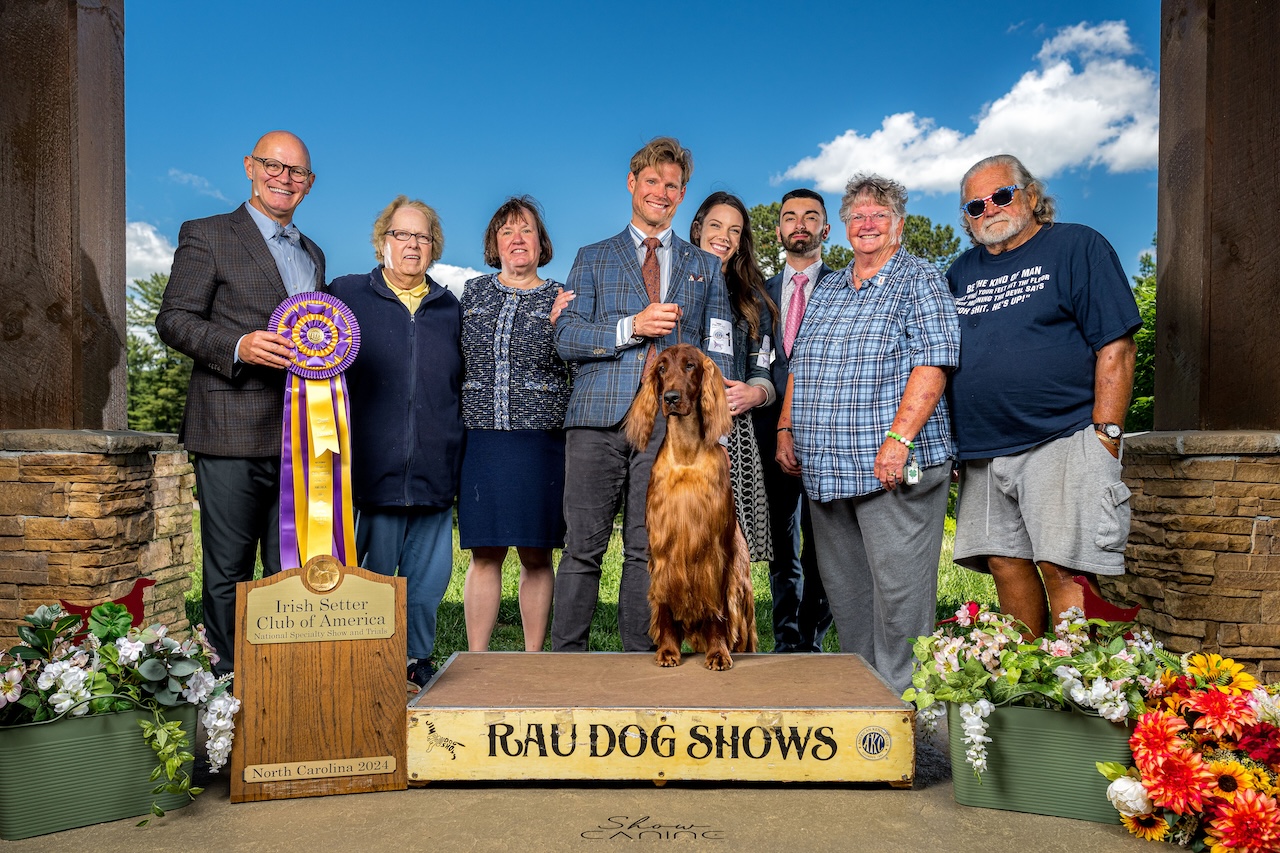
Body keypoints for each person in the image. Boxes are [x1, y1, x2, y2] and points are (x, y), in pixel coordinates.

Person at [777, 174, 959, 695]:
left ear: (898, 225)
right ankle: (866, 704)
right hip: (827, 469)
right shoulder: (831, 286)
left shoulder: (919, 280)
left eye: (879, 214)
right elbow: (802, 363)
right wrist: (787, 426)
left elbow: (934, 362)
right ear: (844, 228)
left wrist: (899, 440)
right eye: (857, 215)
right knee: (849, 596)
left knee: (899, 598)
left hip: (891, 467)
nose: (868, 223)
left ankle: (908, 711)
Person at [551, 136, 735, 652]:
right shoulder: (592, 258)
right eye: (651, 181)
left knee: (645, 548)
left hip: (669, 430)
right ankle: (567, 661)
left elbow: (718, 353)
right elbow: (566, 339)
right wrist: (631, 325)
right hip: (596, 419)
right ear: (632, 184)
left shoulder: (706, 267)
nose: (661, 191)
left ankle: (640, 657)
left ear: (681, 195)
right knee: (582, 548)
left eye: (671, 185)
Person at [947, 154, 1140, 637]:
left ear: (1031, 196)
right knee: (1004, 560)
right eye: (975, 205)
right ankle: (1029, 676)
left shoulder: (1077, 246)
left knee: (1063, 564)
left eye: (1001, 195)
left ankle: (1078, 678)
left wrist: (1106, 433)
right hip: (984, 450)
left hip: (1064, 436)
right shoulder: (958, 272)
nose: (989, 209)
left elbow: (1115, 346)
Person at [156, 130, 324, 676]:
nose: (284, 178)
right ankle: (230, 687)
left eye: (296, 171)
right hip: (229, 431)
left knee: (288, 570)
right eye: (274, 166)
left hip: (298, 435)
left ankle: (282, 682)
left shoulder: (312, 253)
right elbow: (174, 319)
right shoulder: (207, 235)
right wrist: (238, 346)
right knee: (228, 571)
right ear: (250, 167)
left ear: (309, 184)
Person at [328, 196, 462, 688]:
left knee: (427, 584)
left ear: (434, 248)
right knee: (374, 576)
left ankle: (415, 659)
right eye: (402, 235)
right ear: (382, 242)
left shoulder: (450, 308)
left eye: (422, 238)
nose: (412, 245)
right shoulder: (345, 296)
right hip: (369, 470)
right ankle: (367, 662)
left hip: (433, 469)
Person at [459, 196, 574, 652]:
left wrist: (562, 329)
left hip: (540, 441)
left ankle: (531, 659)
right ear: (495, 244)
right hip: (482, 439)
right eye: (507, 232)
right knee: (484, 553)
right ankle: (477, 658)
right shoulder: (472, 293)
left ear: (540, 241)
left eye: (525, 230)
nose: (517, 239)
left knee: (536, 553)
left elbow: (574, 362)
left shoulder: (563, 297)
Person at [753, 189, 834, 653]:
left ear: (826, 229)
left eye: (810, 216)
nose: (799, 224)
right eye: (789, 217)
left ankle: (812, 640)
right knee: (783, 546)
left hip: (826, 431)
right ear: (779, 229)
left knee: (823, 544)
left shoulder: (845, 288)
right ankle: (785, 640)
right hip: (767, 430)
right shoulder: (756, 291)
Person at [688, 191, 776, 563]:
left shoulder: (753, 298)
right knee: (686, 535)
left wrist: (756, 394)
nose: (724, 236)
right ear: (697, 229)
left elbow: (762, 369)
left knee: (730, 542)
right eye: (716, 225)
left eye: (735, 230)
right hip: (681, 424)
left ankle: (732, 620)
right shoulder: (671, 280)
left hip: (733, 428)